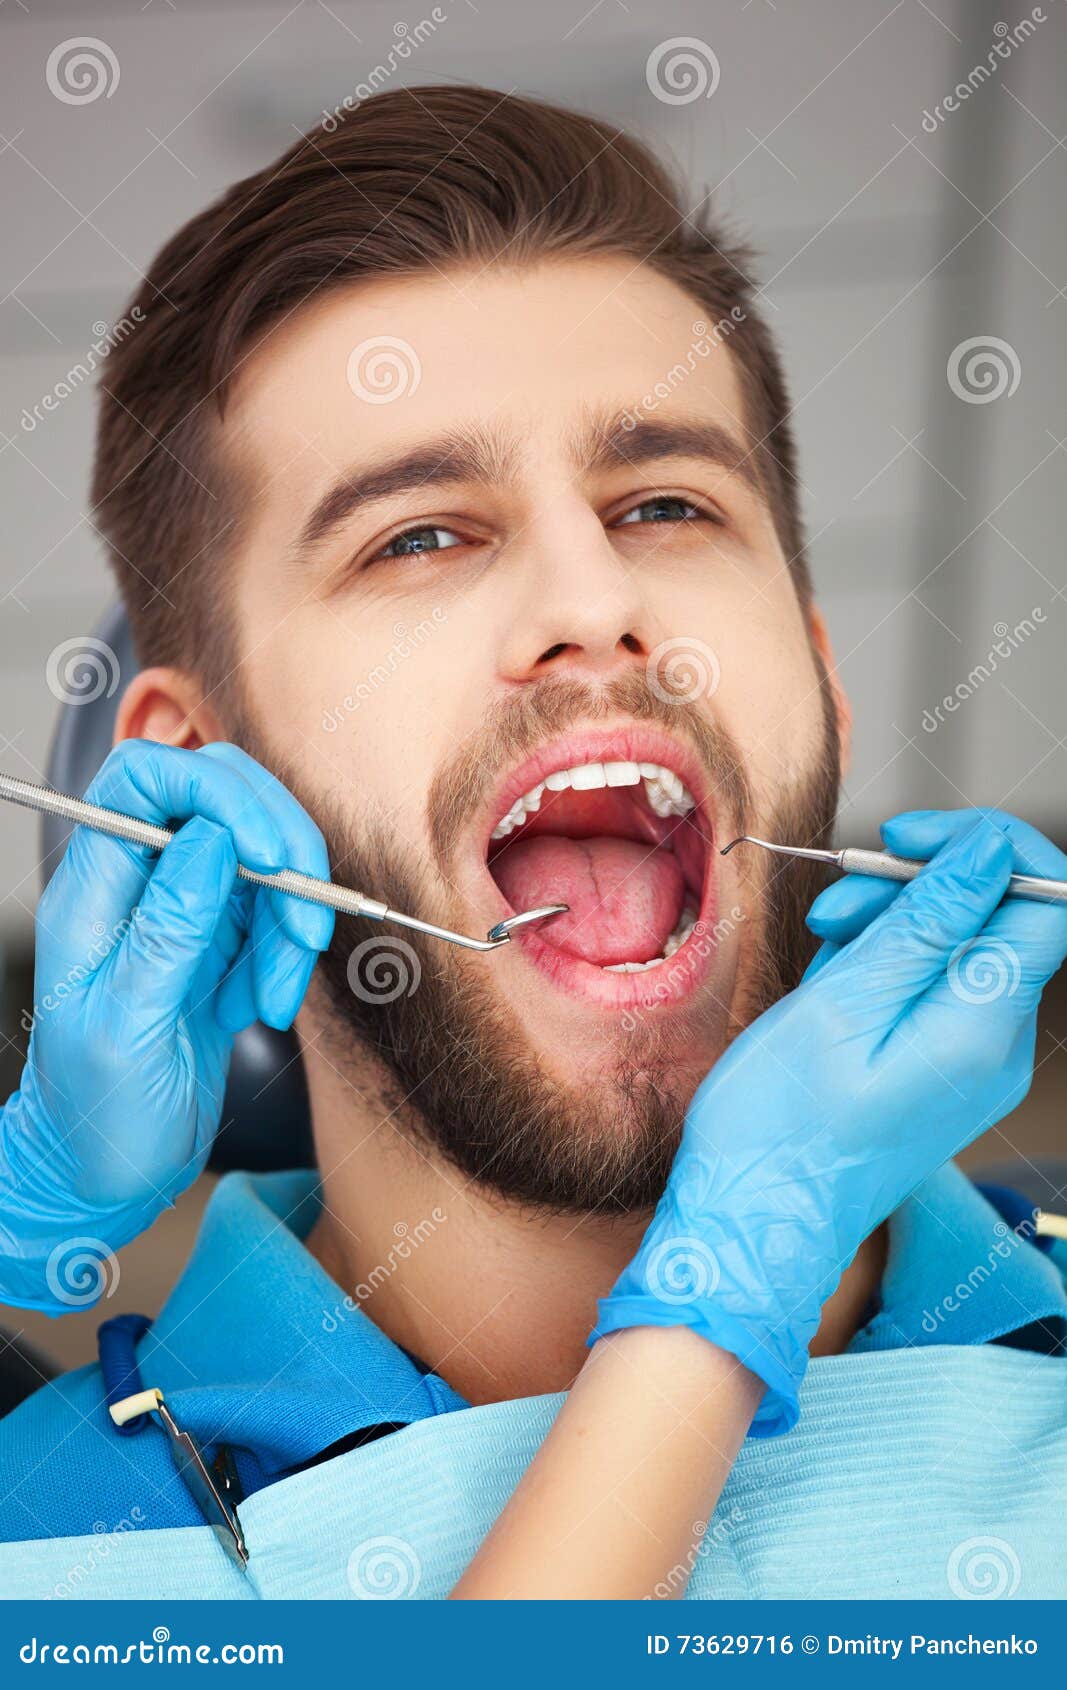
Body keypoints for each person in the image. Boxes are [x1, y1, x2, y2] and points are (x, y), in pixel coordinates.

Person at [1, 85, 1065, 1599]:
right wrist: (719, 1294)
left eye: (666, 503)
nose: (590, 600)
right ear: (196, 778)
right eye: (418, 534)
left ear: (819, 677)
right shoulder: (52, 1549)